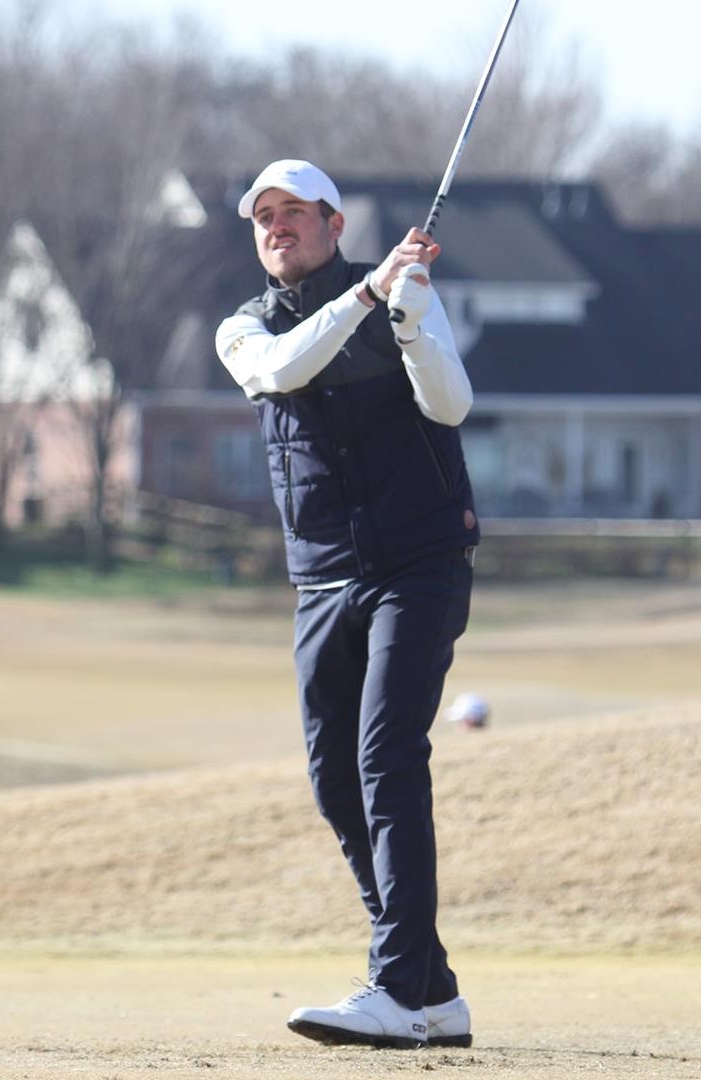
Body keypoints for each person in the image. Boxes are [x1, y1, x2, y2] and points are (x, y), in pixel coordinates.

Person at [216, 160, 479, 1050]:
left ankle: (397, 986)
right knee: (335, 781)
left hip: (420, 562)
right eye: (263, 217)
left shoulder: (404, 295)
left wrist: (404, 318)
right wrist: (369, 295)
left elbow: (450, 403)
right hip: (322, 576)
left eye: (294, 213)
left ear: (333, 223)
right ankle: (432, 990)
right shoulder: (242, 328)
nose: (276, 228)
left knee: (385, 756)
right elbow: (284, 372)